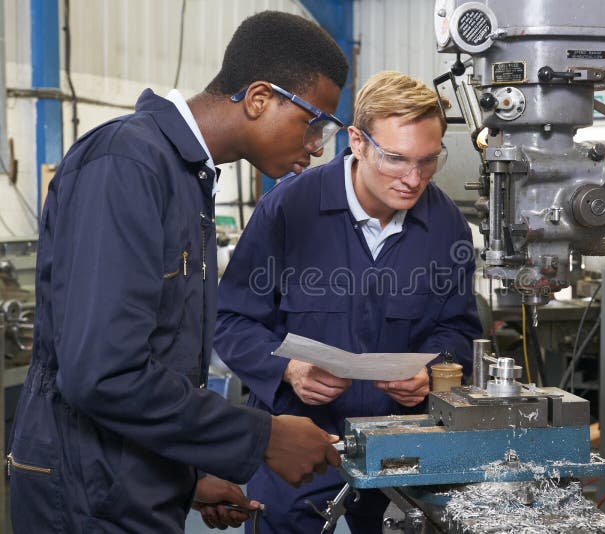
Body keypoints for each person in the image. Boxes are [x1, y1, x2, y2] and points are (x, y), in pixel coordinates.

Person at [9, 11, 349, 534]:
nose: (318, 146)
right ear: (259, 98)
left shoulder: (188, 178)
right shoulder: (127, 163)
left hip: (128, 483)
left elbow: (155, 358)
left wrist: (183, 479)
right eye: (314, 122)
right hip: (84, 501)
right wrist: (264, 437)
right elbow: (103, 374)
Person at [215, 70, 483, 533]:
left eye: (428, 160)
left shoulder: (447, 228)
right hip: (301, 446)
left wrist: (431, 373)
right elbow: (232, 319)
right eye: (397, 159)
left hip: (403, 449)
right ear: (357, 141)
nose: (414, 178)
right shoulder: (288, 210)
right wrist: (289, 370)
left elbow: (459, 331)